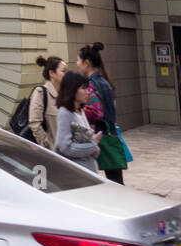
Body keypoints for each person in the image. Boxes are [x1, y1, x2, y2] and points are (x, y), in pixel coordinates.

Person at [77, 41, 126, 184]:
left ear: (87, 63)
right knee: (116, 179)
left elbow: (96, 112)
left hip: (99, 136)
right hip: (110, 134)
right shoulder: (104, 82)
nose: (77, 63)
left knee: (92, 178)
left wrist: (77, 110)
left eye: (79, 60)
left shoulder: (91, 84)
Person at [54, 71, 101, 168]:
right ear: (72, 89)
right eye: (83, 88)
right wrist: (93, 145)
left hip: (88, 168)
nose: (87, 92)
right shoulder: (65, 112)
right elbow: (65, 147)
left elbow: (85, 141)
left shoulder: (80, 110)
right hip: (76, 173)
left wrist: (94, 146)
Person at [27, 54, 65, 150]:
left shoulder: (65, 94)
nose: (66, 74)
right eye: (63, 71)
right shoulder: (40, 92)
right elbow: (34, 123)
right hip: (52, 153)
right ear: (52, 73)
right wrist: (48, 146)